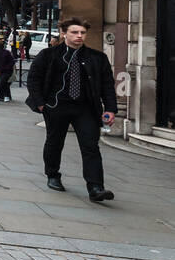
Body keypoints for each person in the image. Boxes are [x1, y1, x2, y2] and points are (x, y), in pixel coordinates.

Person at [27, 18, 117, 202]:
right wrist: (41, 103)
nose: (79, 36)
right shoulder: (48, 55)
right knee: (54, 141)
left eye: (82, 33)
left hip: (85, 108)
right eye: (75, 32)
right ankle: (53, 175)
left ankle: (95, 187)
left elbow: (107, 85)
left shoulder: (97, 58)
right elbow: (34, 79)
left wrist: (110, 109)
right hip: (56, 106)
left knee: (90, 145)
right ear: (64, 33)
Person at [0, 36, 15, 102]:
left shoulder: (6, 52)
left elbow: (11, 62)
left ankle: (6, 95)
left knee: (2, 82)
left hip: (6, 71)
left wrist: (4, 69)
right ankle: (0, 95)